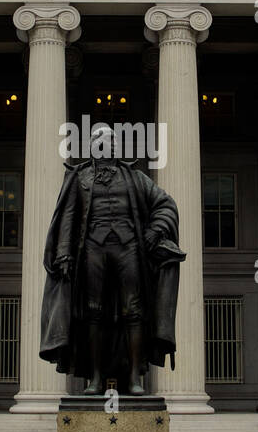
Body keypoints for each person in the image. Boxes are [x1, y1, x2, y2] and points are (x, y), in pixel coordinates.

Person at [39, 124, 185, 395]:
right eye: (104, 139)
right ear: (94, 144)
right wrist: (63, 254)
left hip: (129, 248)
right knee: (93, 311)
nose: (110, 143)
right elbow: (68, 218)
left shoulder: (135, 177)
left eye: (113, 139)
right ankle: (94, 379)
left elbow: (166, 203)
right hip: (93, 248)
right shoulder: (79, 177)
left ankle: (134, 378)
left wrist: (154, 232)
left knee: (134, 310)